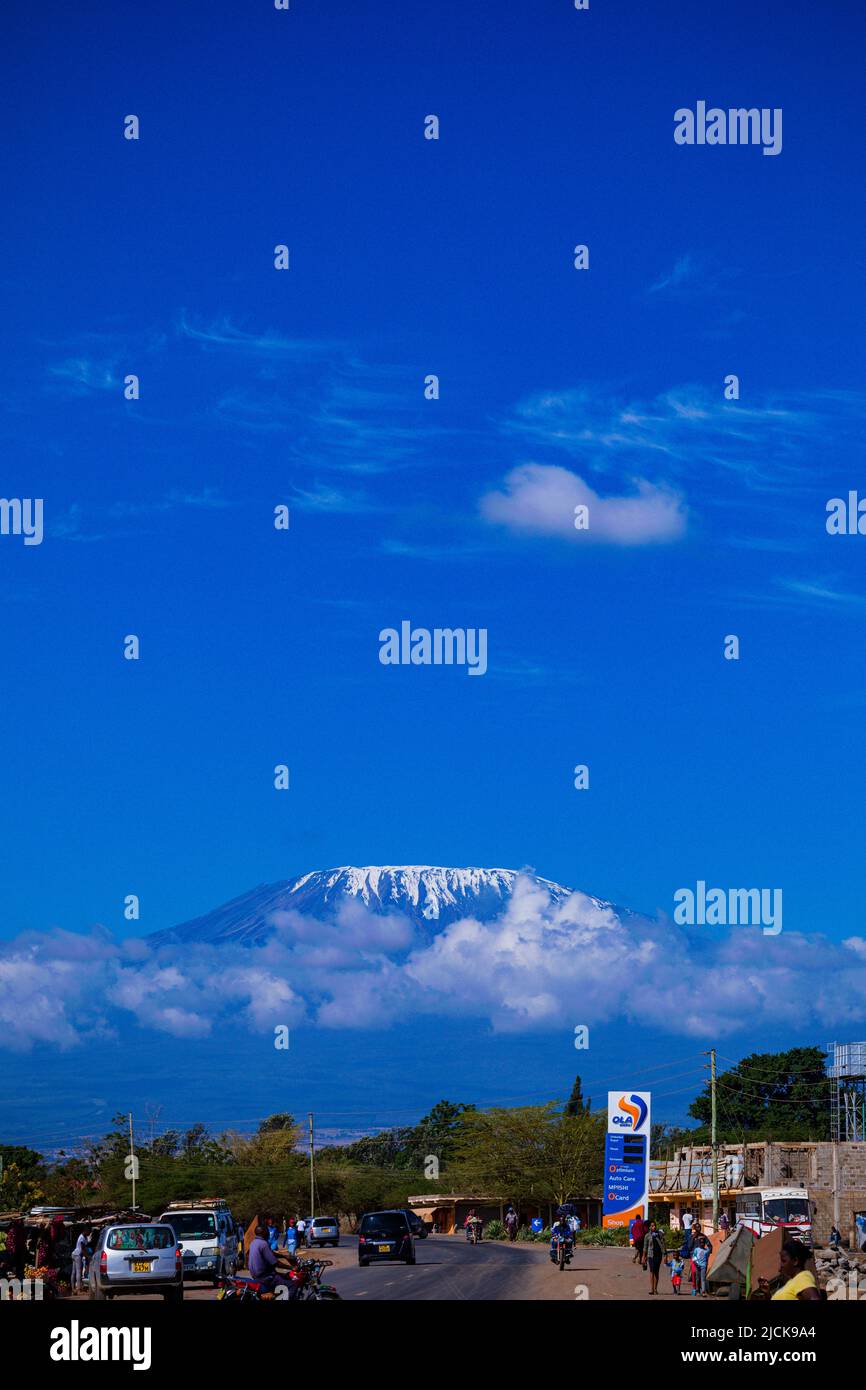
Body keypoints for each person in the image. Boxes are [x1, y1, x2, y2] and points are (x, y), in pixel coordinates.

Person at [248, 1224, 291, 1296]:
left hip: (256, 1276)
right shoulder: (263, 1244)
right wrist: (291, 1267)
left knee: (284, 1276)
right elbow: (275, 1263)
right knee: (291, 1285)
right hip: (265, 1277)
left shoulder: (254, 1242)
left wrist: (284, 1256)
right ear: (264, 1232)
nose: (268, 1233)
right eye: (267, 1231)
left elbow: (271, 1253)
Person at [642, 1221, 666, 1295]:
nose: (654, 1227)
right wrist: (644, 1257)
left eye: (654, 1225)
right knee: (652, 1271)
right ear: (649, 1227)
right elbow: (645, 1247)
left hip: (658, 1255)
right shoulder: (647, 1236)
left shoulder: (659, 1234)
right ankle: (652, 1289)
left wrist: (665, 1255)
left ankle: (656, 1289)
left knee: (656, 1272)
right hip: (651, 1255)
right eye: (652, 1226)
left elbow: (663, 1244)